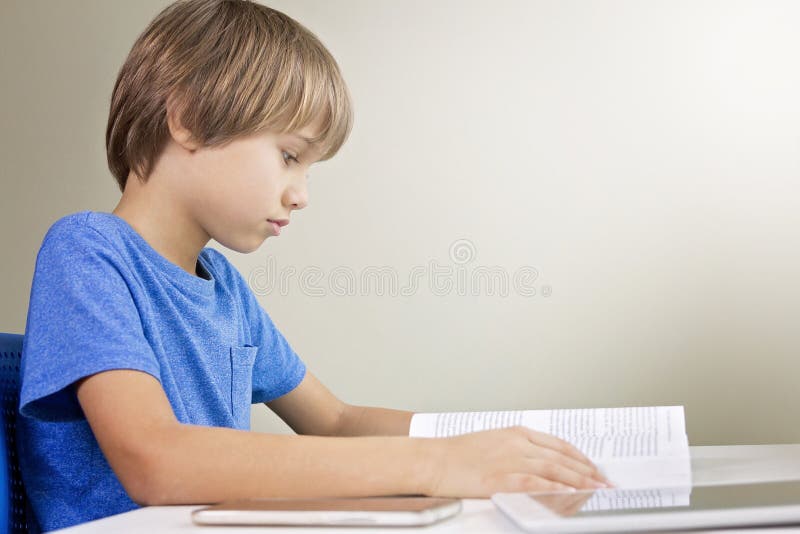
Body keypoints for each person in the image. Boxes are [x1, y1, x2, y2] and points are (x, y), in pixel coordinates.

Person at [17, 0, 610, 531]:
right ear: (190, 118)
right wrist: (438, 463)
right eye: (290, 156)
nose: (301, 194)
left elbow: (335, 420)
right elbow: (157, 460)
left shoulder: (223, 288)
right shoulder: (88, 252)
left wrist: (499, 443)